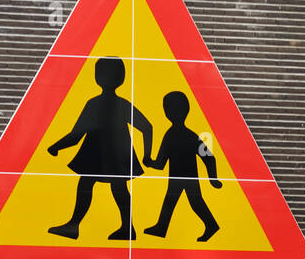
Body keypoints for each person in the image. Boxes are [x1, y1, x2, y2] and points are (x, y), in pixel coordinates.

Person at [47, 56, 153, 241]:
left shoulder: (94, 103)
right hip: (115, 156)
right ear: (122, 78)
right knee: (117, 187)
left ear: (97, 77)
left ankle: (76, 226)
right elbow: (147, 127)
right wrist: (146, 155)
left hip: (98, 155)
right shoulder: (121, 104)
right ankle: (126, 228)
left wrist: (57, 147)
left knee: (89, 184)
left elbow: (77, 134)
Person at [143, 91, 221, 242]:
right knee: (175, 201)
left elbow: (209, 157)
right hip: (180, 177)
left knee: (194, 202)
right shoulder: (185, 135)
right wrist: (213, 178)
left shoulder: (176, 135)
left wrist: (149, 162)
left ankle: (210, 225)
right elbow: (209, 158)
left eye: (169, 108)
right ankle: (162, 227)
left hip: (184, 177)